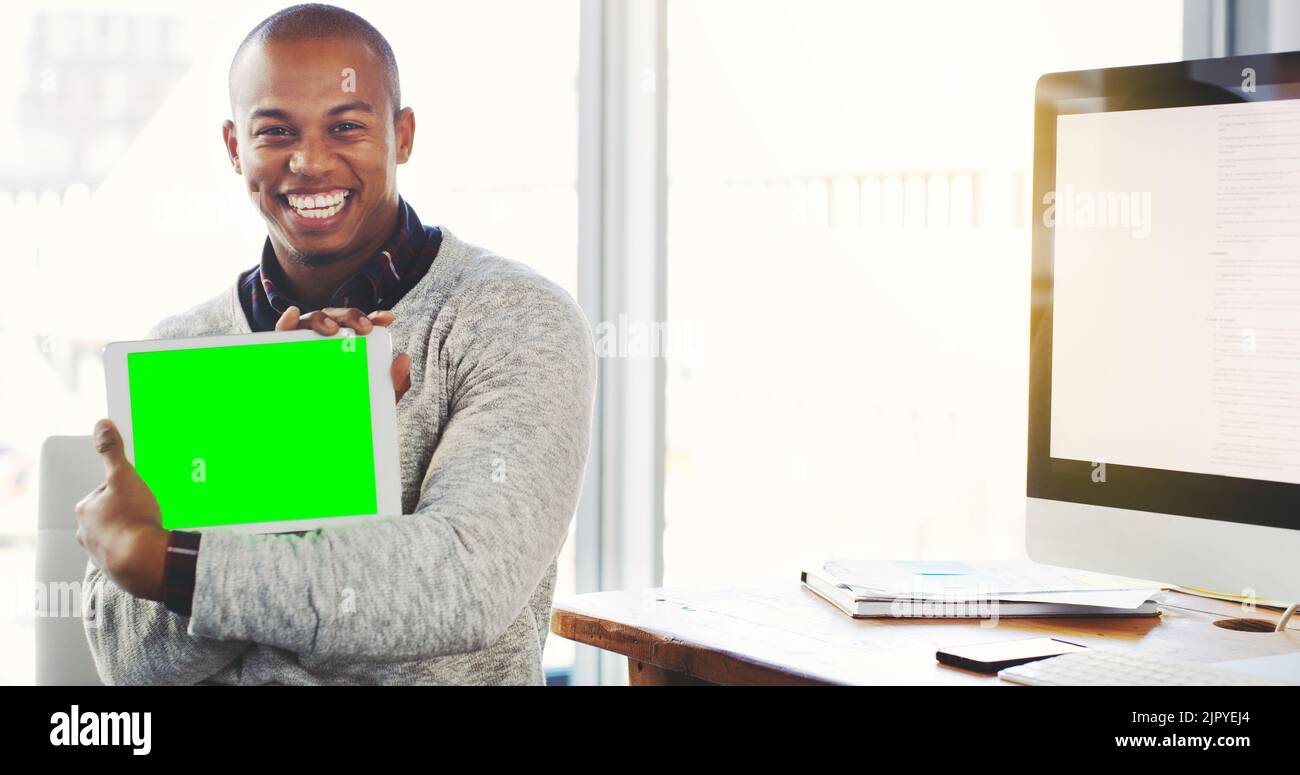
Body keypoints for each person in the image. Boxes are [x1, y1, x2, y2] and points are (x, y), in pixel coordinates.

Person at [74, 3, 595, 685]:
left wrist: (183, 564)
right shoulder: (179, 348)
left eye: (346, 125)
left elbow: (462, 582)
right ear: (235, 148)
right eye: (275, 131)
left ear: (401, 135)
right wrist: (282, 446)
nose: (310, 161)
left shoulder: (515, 318)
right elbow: (132, 659)